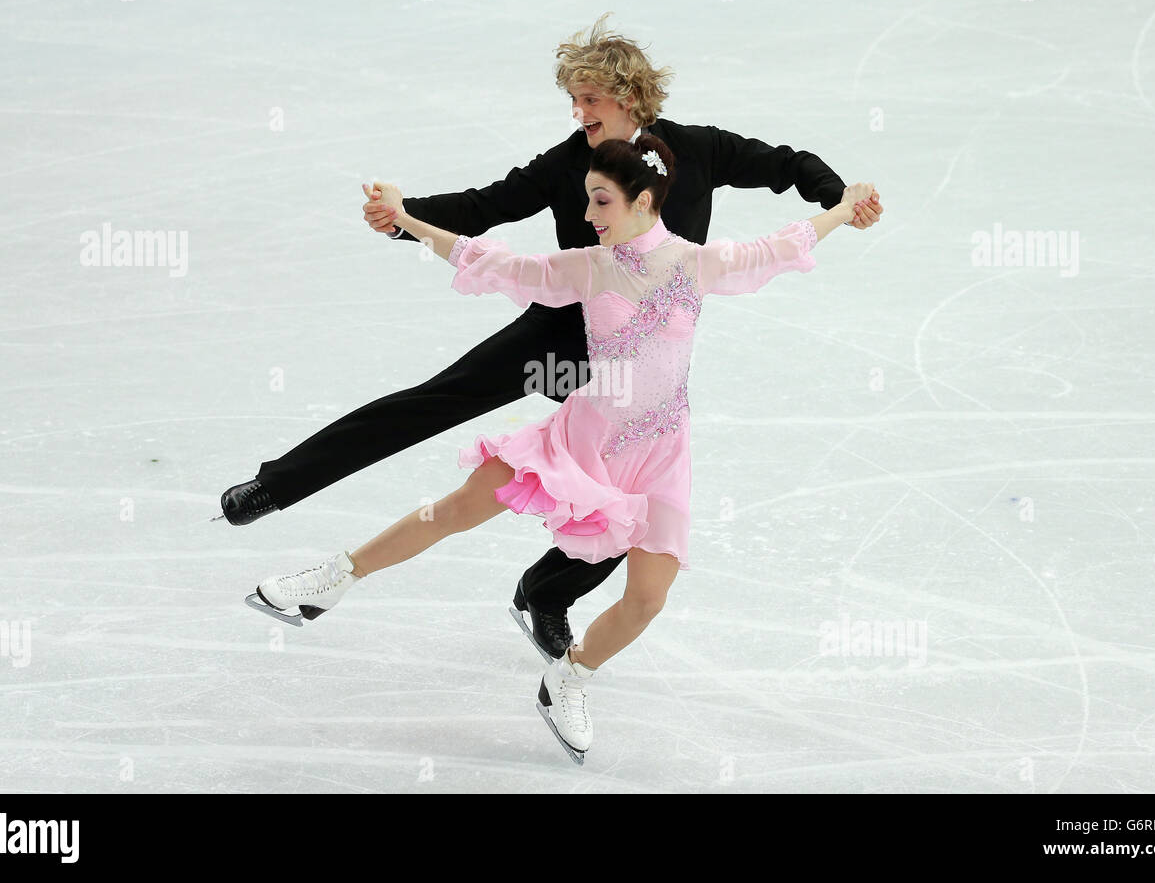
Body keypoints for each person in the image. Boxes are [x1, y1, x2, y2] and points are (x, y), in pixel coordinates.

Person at [218, 14, 883, 661]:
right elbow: (486, 207)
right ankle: (277, 485)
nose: (577, 111)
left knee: (632, 484)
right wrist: (403, 217)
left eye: (588, 98)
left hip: (641, 355)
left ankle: (544, 593)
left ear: (626, 97)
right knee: (440, 400)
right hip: (565, 336)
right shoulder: (569, 163)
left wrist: (839, 197)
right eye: (572, 99)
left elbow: (786, 164)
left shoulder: (698, 148)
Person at [245, 133, 874, 762]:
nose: (589, 216)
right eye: (587, 201)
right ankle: (333, 578)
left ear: (644, 200)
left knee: (649, 597)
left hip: (658, 455)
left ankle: (568, 678)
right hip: (584, 436)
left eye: (600, 202)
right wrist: (407, 220)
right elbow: (492, 263)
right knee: (457, 509)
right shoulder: (589, 268)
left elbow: (784, 245)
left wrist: (845, 207)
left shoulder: (695, 263)